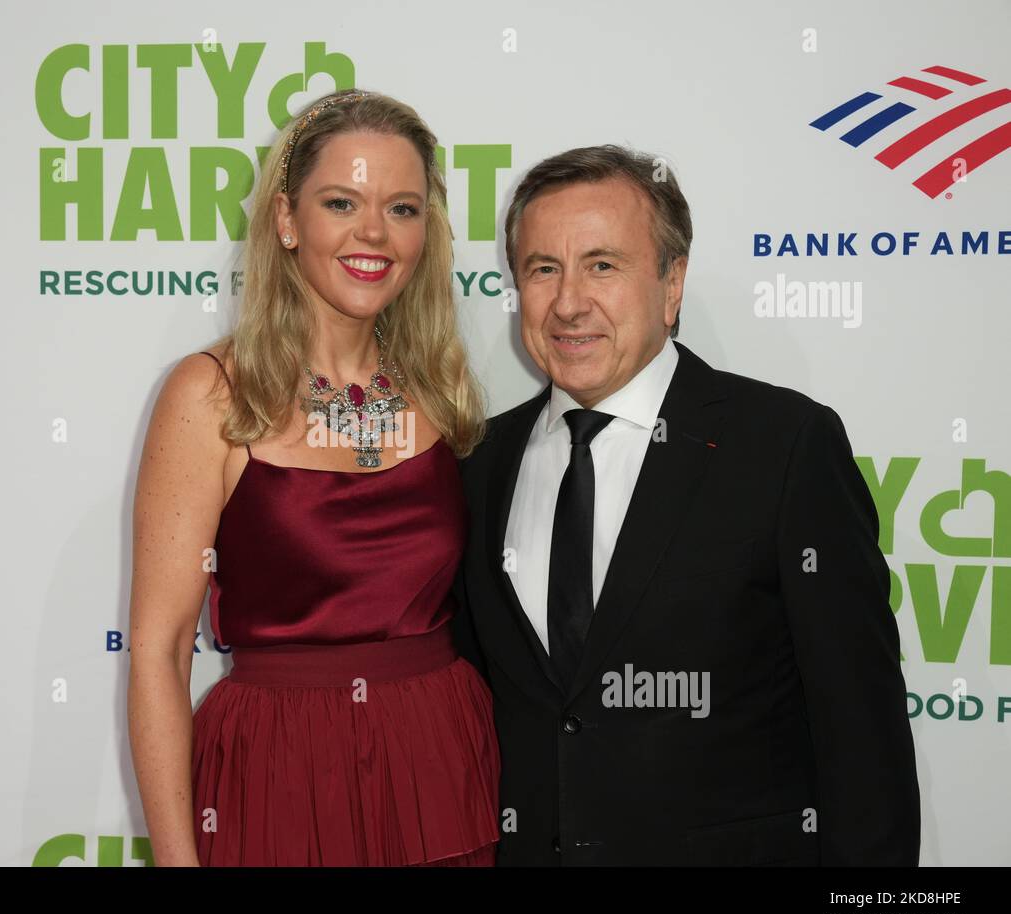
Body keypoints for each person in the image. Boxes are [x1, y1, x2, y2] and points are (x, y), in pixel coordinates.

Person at [452, 144, 921, 866]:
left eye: (602, 265)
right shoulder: (480, 462)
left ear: (672, 284)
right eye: (543, 268)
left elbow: (863, 737)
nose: (568, 301)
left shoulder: (785, 447)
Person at [127, 88, 500, 866]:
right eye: (342, 201)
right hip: (276, 771)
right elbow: (160, 652)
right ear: (288, 220)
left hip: (438, 765)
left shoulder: (443, 388)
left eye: (403, 208)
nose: (375, 232)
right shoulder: (210, 394)